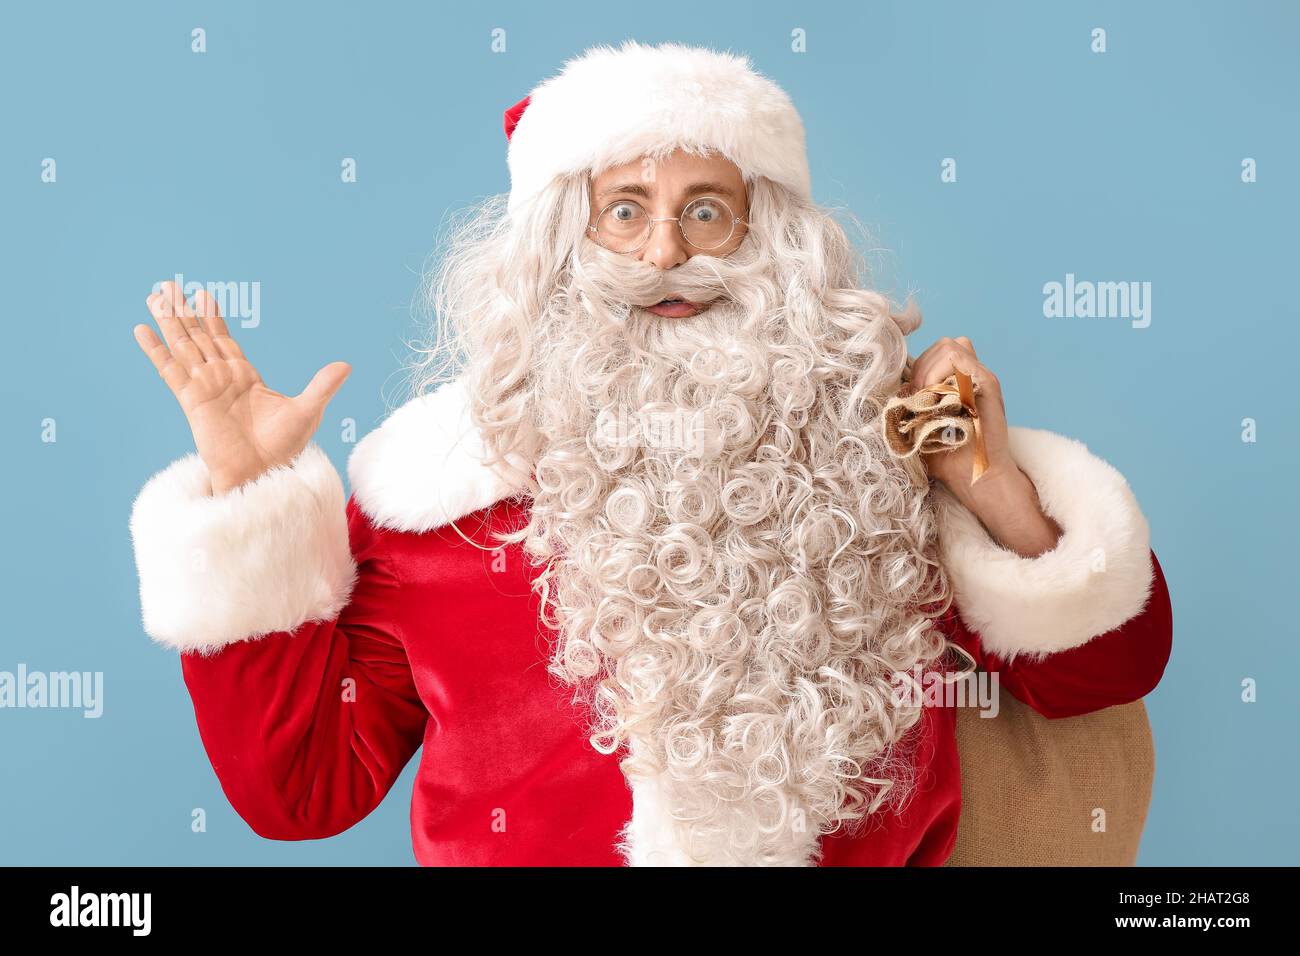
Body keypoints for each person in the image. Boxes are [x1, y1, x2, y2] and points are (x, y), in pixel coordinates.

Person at [128, 41, 1172, 866]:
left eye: (705, 212)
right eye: (623, 212)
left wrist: (990, 484)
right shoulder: (437, 496)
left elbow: (1106, 674)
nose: (665, 254)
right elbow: (305, 792)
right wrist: (246, 492)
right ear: (556, 245)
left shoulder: (869, 450)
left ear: (772, 239)